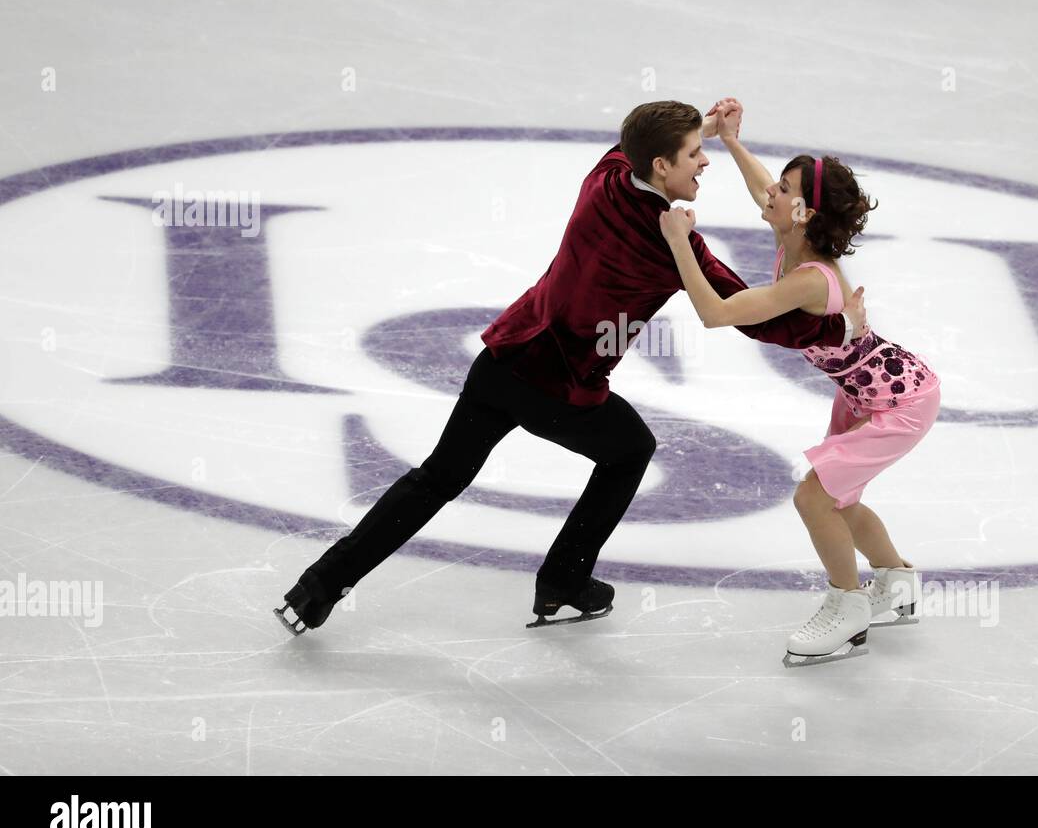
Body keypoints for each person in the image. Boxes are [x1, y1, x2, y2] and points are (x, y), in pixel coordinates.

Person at [275, 99, 867, 634]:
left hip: (505, 356)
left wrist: (707, 129)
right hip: (559, 388)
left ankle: (317, 589)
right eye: (694, 154)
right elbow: (755, 318)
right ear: (662, 167)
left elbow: (631, 145)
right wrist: (831, 321)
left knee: (436, 478)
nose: (704, 162)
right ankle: (563, 579)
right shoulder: (672, 239)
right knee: (629, 450)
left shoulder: (605, 176)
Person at [658, 102, 940, 661]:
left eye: (784, 190)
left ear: (805, 212)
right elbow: (763, 187)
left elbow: (716, 314)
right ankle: (896, 582)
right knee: (843, 500)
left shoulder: (810, 279)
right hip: (867, 394)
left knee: (814, 499)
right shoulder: (797, 239)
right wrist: (734, 143)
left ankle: (848, 604)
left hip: (900, 404)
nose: (770, 194)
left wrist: (677, 241)